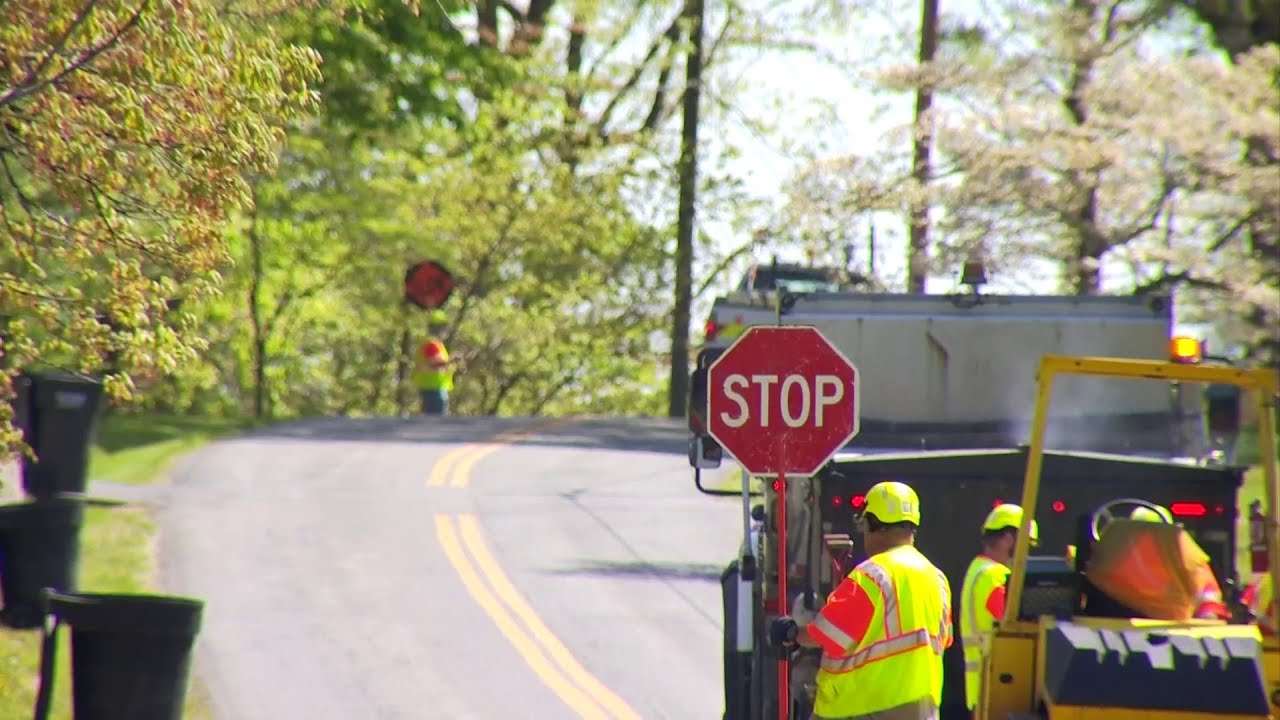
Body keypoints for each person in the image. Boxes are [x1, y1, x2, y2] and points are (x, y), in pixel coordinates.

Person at [773, 480, 952, 720]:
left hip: (859, 710)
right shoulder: (937, 578)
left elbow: (829, 635)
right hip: (921, 712)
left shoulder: (872, 575)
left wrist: (792, 633)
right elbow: (945, 639)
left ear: (873, 524)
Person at [960, 504, 1039, 717]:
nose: (1027, 553)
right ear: (1008, 538)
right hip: (995, 686)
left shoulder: (978, 569)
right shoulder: (995, 576)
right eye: (1026, 545)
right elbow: (1010, 623)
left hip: (983, 687)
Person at [1126, 504, 1229, 620]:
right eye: (1140, 535)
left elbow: (1209, 603)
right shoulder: (1118, 562)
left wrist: (1205, 620)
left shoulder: (1192, 564)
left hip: (1174, 632)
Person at [412, 309, 454, 416]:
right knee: (436, 425)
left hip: (430, 389)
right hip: (434, 390)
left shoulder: (430, 343)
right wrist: (452, 360)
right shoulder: (432, 344)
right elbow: (434, 363)